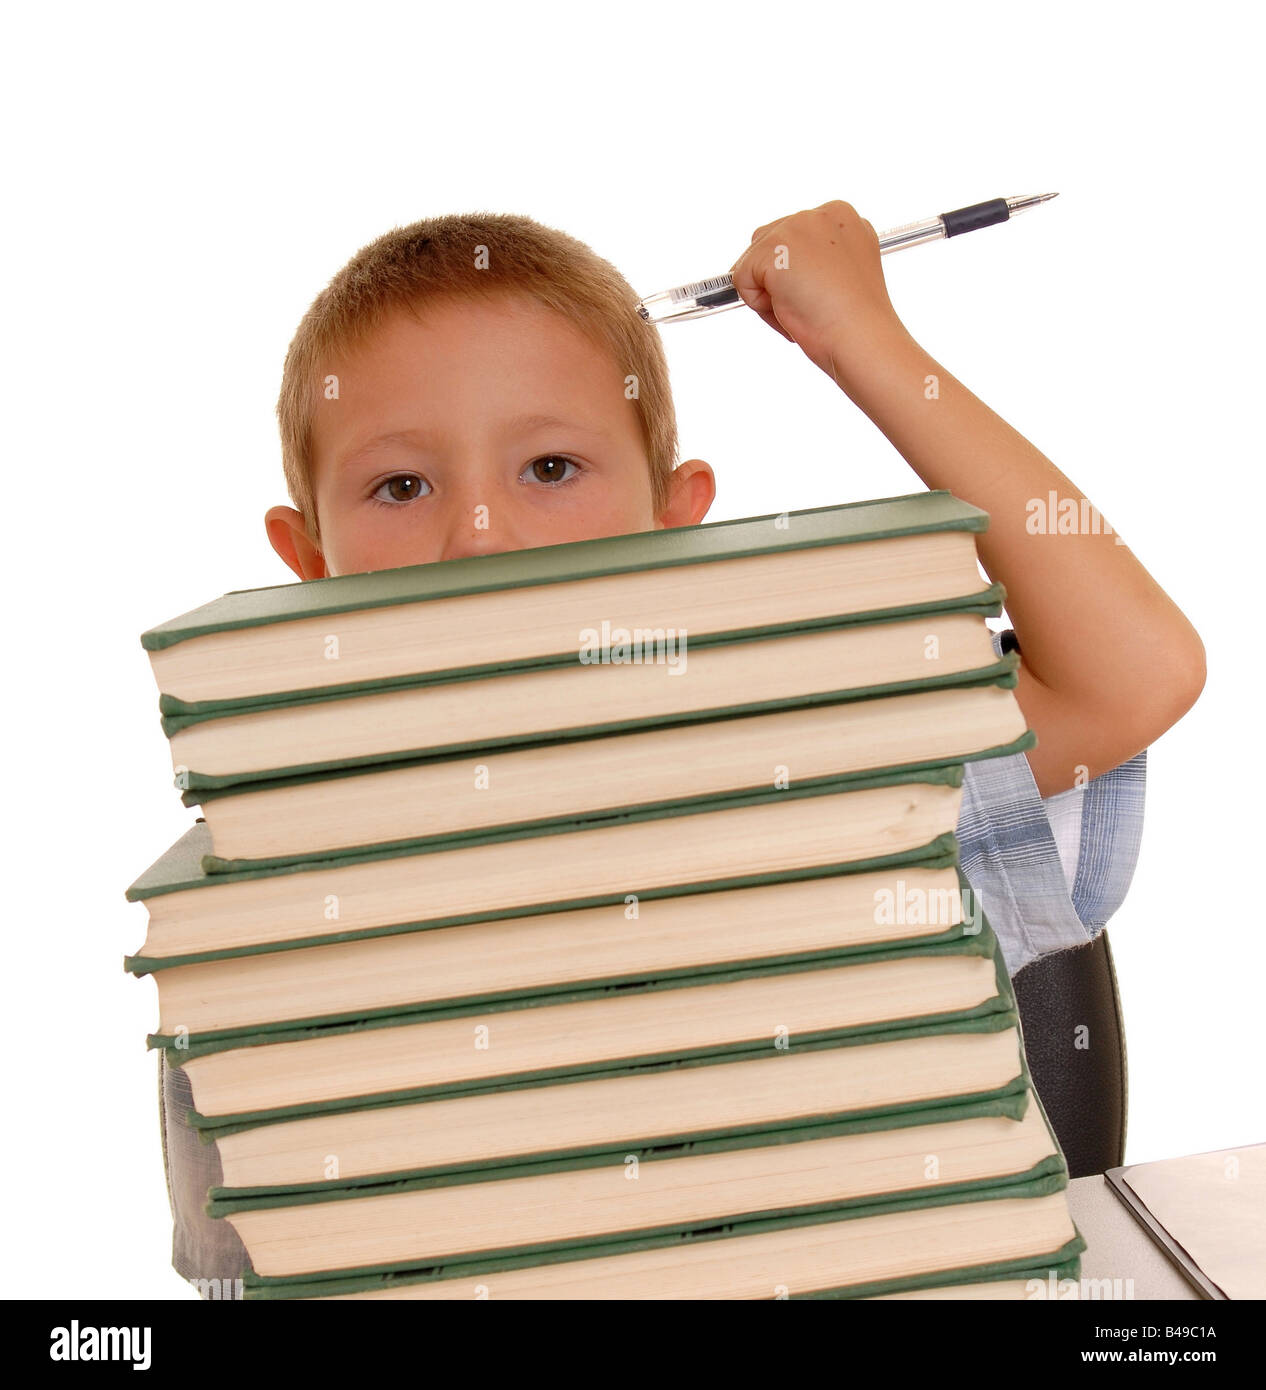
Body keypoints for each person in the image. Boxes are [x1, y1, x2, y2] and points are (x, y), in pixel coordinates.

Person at [160, 204, 1204, 1295]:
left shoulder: (826, 759)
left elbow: (1135, 670)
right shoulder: (253, 906)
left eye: (551, 467)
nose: (479, 532)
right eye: (402, 486)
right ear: (308, 556)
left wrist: (863, 340)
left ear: (676, 520)